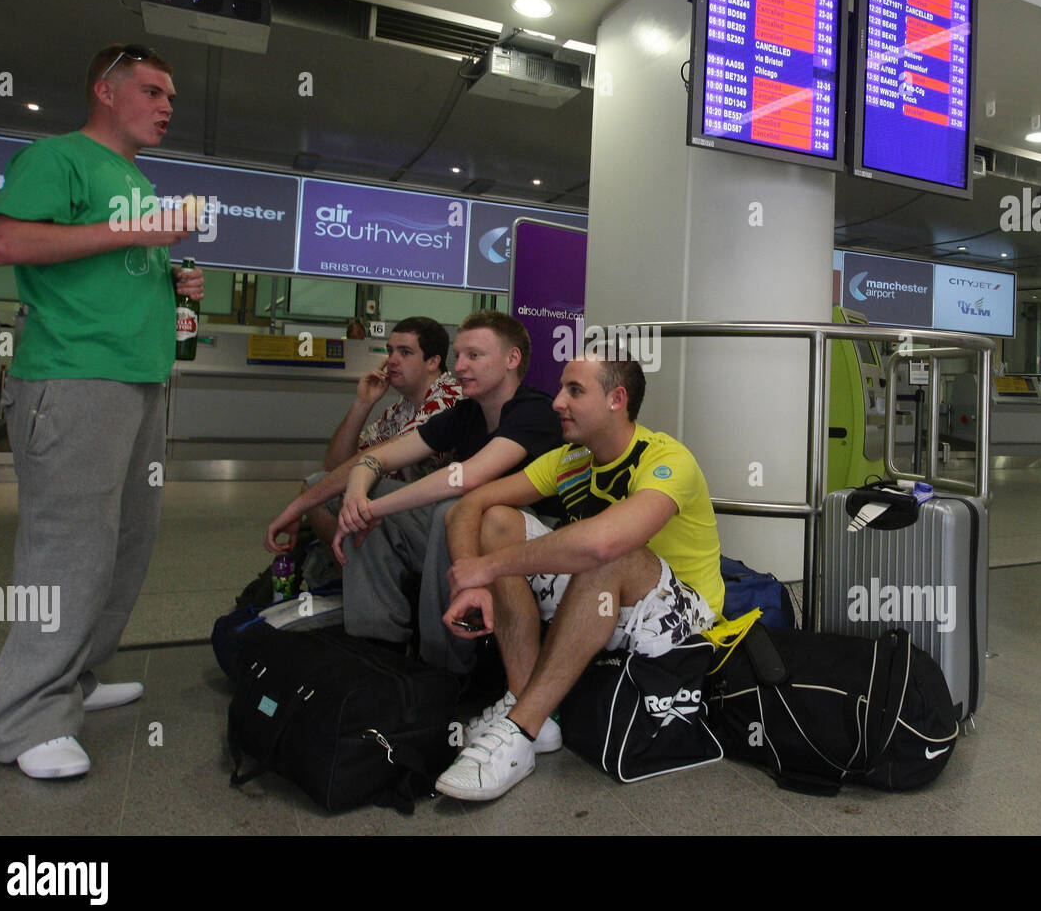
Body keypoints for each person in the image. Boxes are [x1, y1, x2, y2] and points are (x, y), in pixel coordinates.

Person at [0, 43, 204, 779]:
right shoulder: (59, 157)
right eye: (151, 90)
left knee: (124, 545)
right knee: (68, 548)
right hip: (75, 379)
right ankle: (25, 720)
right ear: (105, 91)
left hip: (140, 382)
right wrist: (141, 233)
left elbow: (106, 264)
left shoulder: (134, 178)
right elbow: (7, 241)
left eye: (170, 95)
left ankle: (73, 678)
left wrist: (170, 280)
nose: (167, 105)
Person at [434, 353, 723, 802]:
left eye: (575, 391)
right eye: (560, 389)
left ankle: (518, 734)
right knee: (496, 521)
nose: (556, 402)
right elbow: (465, 507)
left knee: (606, 549)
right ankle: (529, 706)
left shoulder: (667, 459)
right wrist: (472, 584)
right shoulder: (571, 459)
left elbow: (604, 544)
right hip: (607, 596)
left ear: (617, 400)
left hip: (682, 616)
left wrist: (490, 567)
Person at [264, 310, 561, 650]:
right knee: (368, 501)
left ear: (512, 359)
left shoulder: (535, 411)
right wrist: (356, 497)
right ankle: (376, 642)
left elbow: (464, 478)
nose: (460, 366)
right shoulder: (467, 412)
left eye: (474, 356)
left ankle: (444, 662)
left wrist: (371, 507)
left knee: (447, 509)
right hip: (463, 524)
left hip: (521, 539)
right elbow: (375, 458)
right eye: (458, 356)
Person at [302, 316, 461, 555]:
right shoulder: (403, 407)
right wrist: (362, 403)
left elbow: (359, 466)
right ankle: (352, 574)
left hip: (439, 517)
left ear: (433, 361)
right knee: (324, 488)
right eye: (390, 351)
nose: (392, 361)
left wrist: (303, 502)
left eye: (405, 352)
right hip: (404, 509)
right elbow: (335, 467)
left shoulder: (448, 399)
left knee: (318, 490)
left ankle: (354, 575)